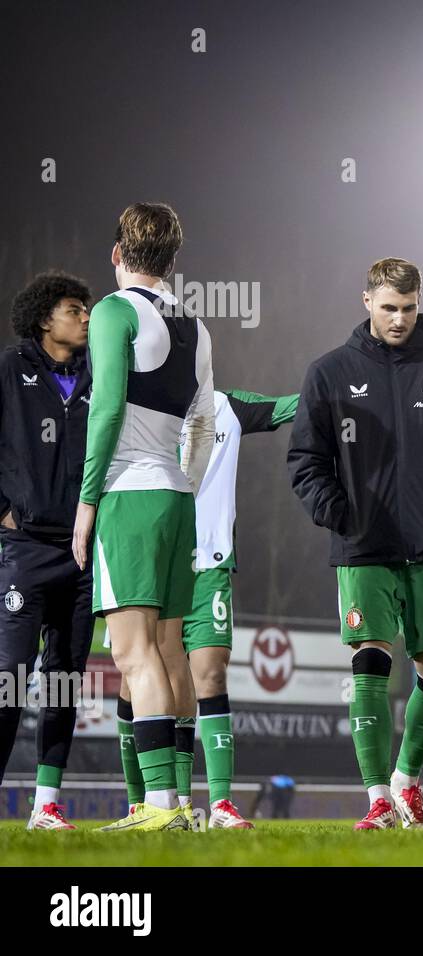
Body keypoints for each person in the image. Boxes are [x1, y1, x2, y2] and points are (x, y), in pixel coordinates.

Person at [288, 257, 423, 830]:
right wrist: (337, 513)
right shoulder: (330, 372)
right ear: (366, 302)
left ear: (419, 302)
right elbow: (306, 458)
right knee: (371, 661)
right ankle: (377, 798)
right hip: (365, 547)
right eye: (388, 308)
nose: (399, 319)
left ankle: (406, 782)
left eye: (408, 308)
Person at [74, 202, 216, 833]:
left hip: (128, 494)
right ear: (173, 261)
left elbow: (105, 410)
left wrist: (86, 504)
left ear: (116, 254)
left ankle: (159, 806)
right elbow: (204, 424)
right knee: (169, 653)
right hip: (178, 496)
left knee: (133, 657)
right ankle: (178, 801)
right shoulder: (196, 327)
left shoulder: (111, 311)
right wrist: (183, 484)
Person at [115, 388, 299, 829]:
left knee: (210, 674)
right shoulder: (131, 403)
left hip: (209, 563)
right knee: (140, 680)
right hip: (151, 563)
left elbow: (293, 404)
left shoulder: (224, 406)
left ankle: (220, 805)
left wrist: (347, 380)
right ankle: (147, 803)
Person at [0, 271, 95, 829]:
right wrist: (4, 513)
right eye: (73, 309)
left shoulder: (98, 372)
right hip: (26, 550)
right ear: (44, 319)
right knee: (10, 679)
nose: (85, 317)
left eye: (86, 309)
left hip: (83, 551)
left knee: (63, 679)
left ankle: (46, 806)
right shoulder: (11, 368)